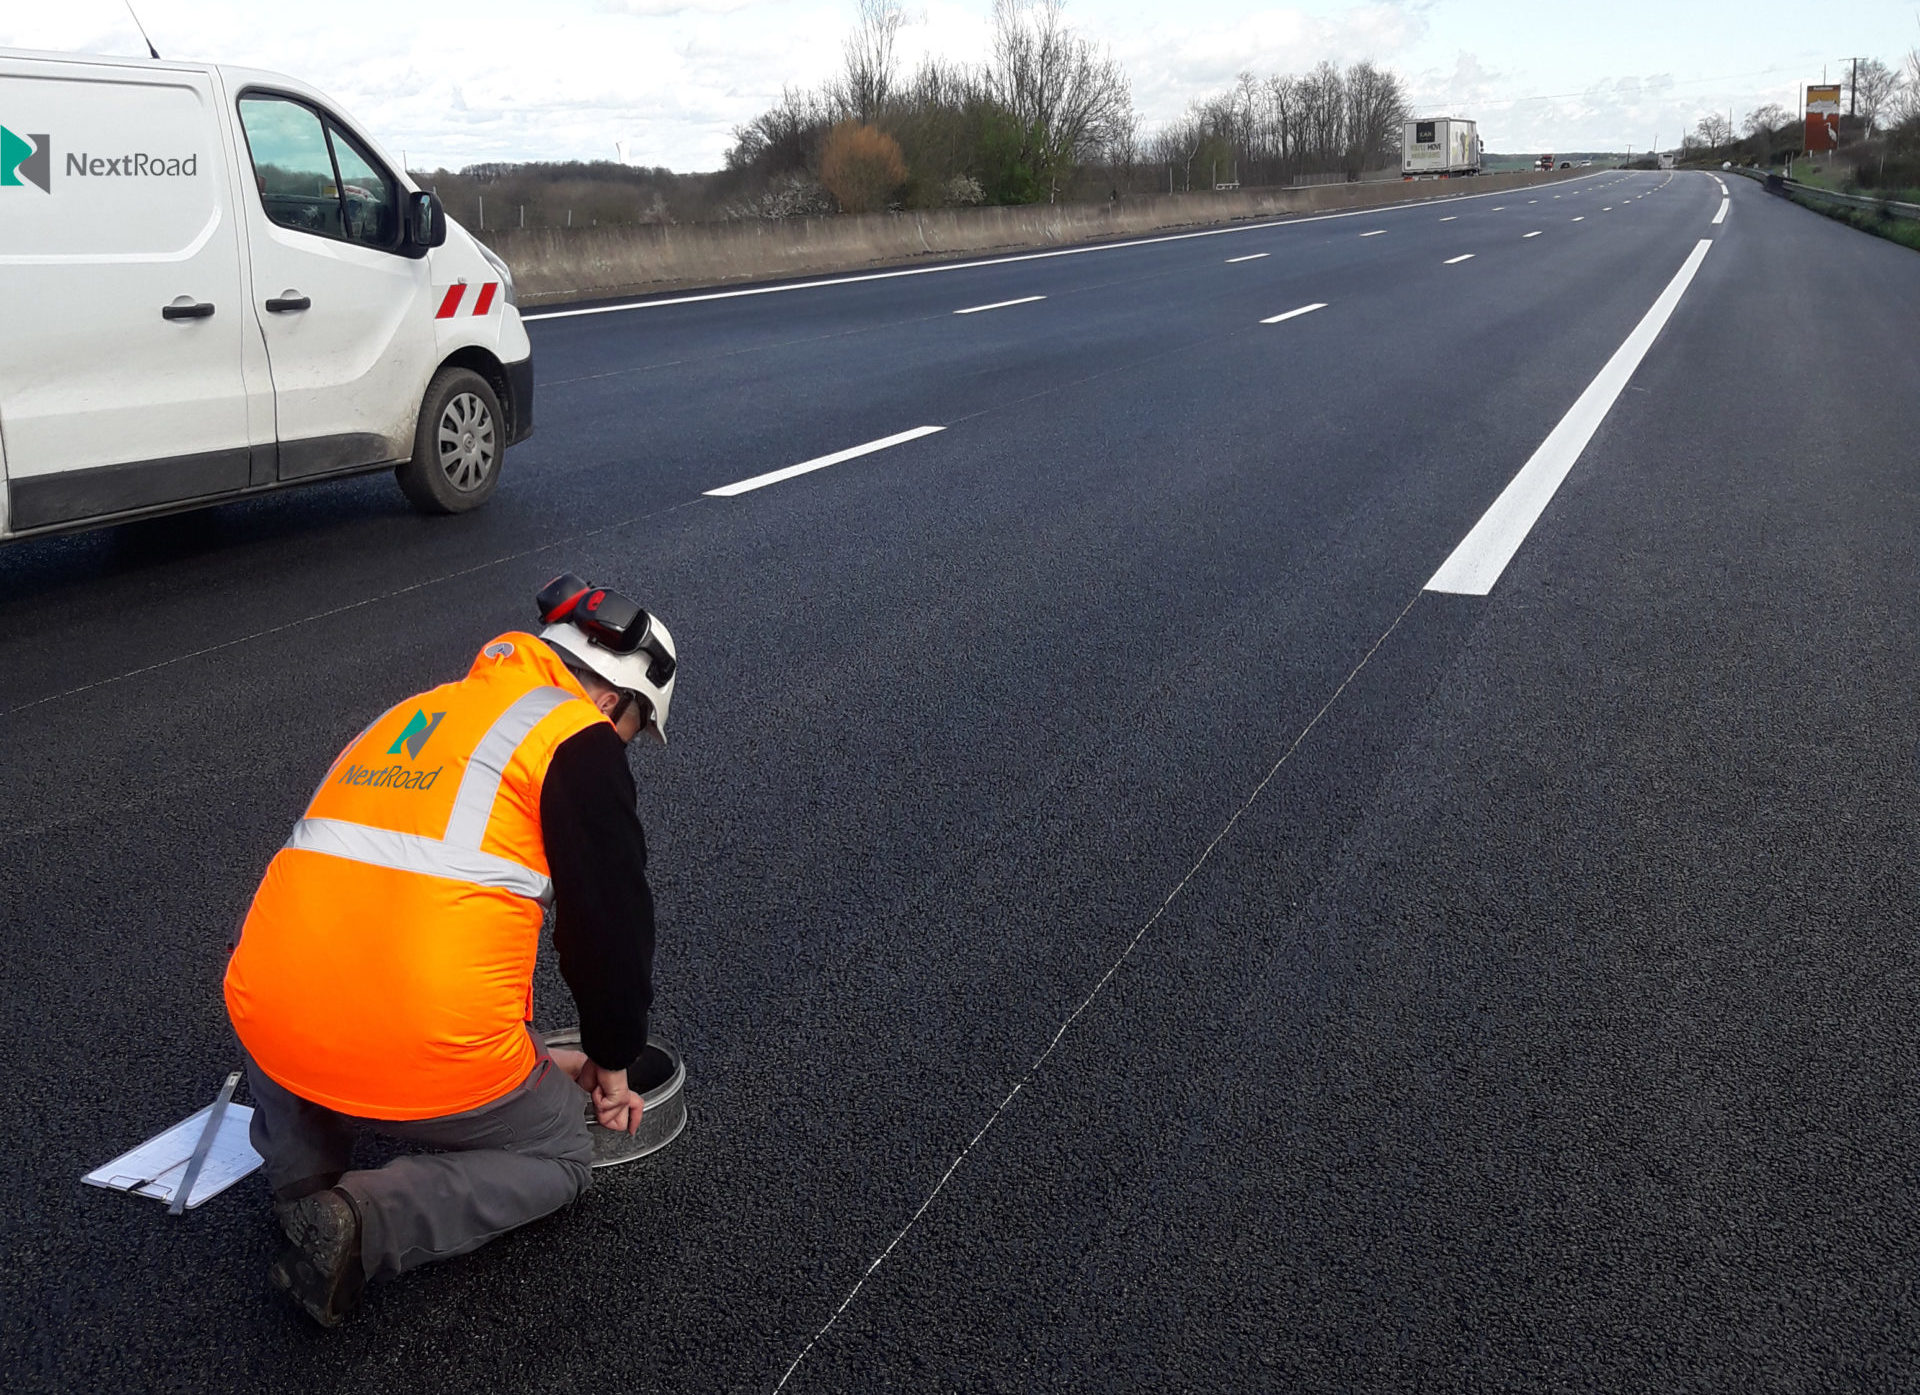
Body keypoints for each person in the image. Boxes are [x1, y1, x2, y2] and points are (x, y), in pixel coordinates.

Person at [224, 574, 676, 1327]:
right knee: (560, 1155)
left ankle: (302, 1181)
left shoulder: (421, 711)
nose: (622, 748)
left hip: (266, 1012)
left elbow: (402, 908)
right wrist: (612, 1056)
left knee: (304, 1005)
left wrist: (543, 1058)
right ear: (610, 701)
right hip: (417, 1039)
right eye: (633, 730)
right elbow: (610, 926)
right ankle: (360, 1220)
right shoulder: (575, 737)